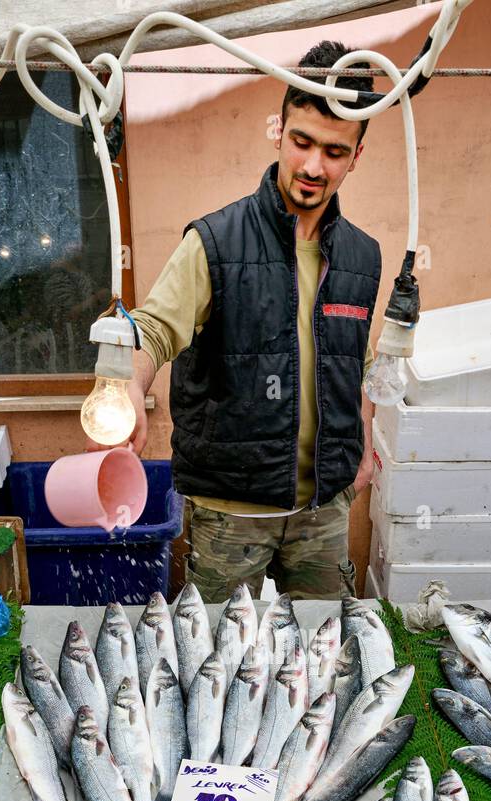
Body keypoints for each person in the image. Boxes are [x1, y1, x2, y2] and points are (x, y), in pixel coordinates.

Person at [127, 38, 382, 602]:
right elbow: (152, 330)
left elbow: (358, 362)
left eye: (335, 152)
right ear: (279, 131)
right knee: (220, 664)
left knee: (323, 663)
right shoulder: (214, 242)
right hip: (229, 514)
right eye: (302, 141)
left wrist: (363, 446)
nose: (314, 166)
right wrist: (126, 388)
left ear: (357, 154)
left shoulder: (363, 257)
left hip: (323, 510)